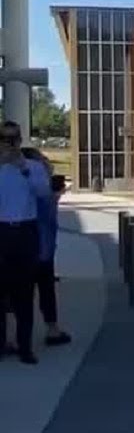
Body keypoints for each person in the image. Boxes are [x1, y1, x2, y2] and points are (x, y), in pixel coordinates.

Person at [0, 121, 47, 363]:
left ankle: (25, 346)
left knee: (25, 293)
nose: (9, 143)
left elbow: (43, 193)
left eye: (13, 139)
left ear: (20, 140)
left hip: (25, 232)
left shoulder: (33, 167)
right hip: (1, 231)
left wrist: (23, 169)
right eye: (4, 139)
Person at [25, 146, 70, 347]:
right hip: (40, 246)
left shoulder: (24, 184)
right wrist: (56, 195)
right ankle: (51, 328)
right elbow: (46, 212)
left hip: (29, 244)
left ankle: (21, 335)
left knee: (23, 290)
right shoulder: (40, 189)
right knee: (44, 288)